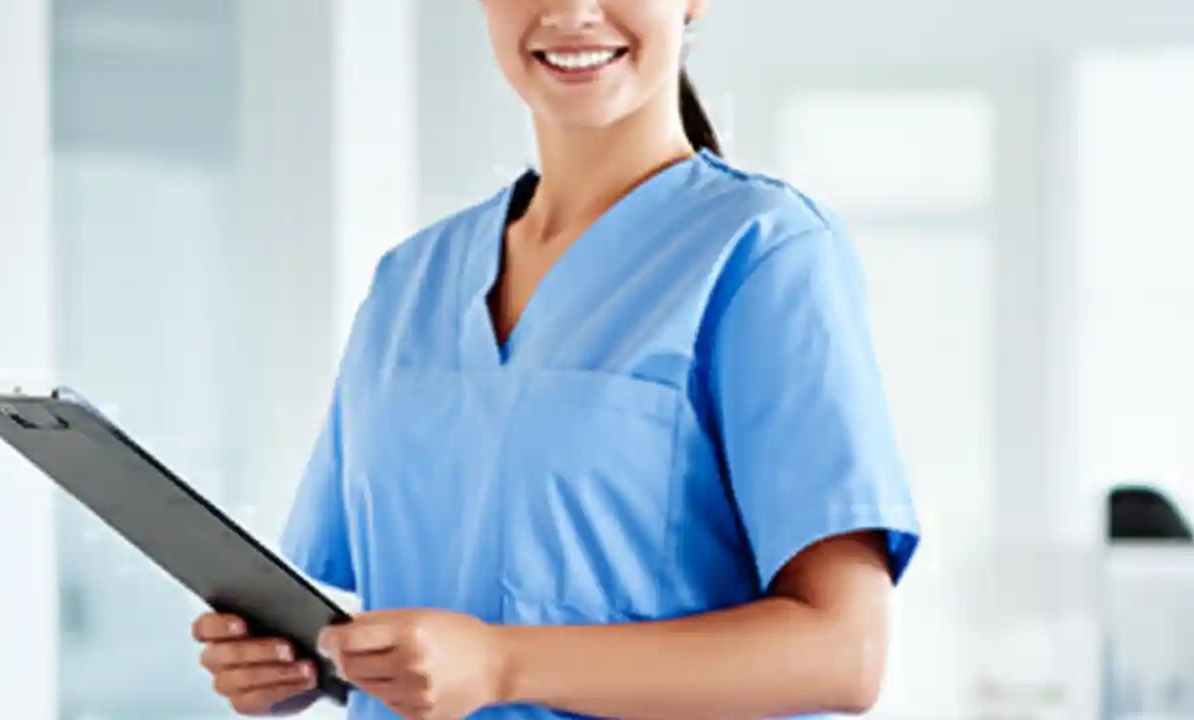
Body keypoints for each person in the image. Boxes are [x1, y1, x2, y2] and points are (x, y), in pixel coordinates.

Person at [191, 1, 920, 718]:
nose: (571, 11)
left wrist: (502, 664)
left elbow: (844, 652)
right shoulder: (410, 282)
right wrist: (293, 665)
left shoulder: (764, 252)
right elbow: (363, 603)